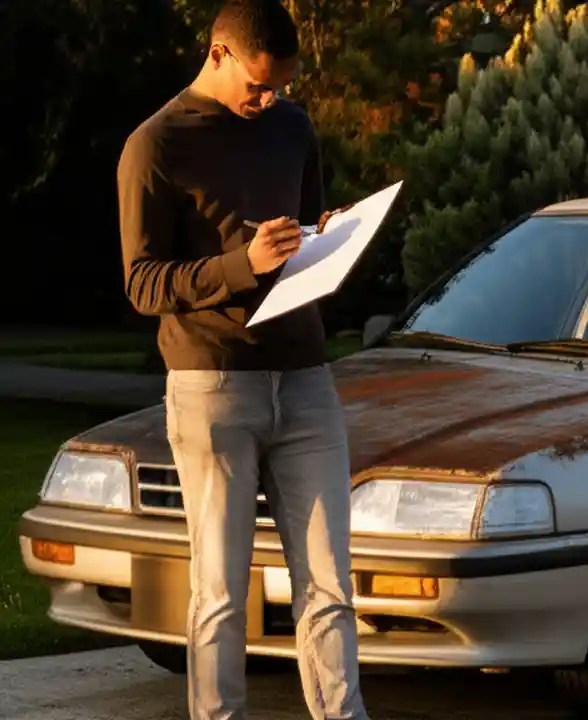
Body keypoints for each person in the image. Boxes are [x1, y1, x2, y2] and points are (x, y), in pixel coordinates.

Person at [115, 1, 369, 718]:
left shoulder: (293, 128)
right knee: (221, 592)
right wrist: (239, 265)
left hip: (307, 376)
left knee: (329, 584)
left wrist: (325, 237)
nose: (268, 100)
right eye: (257, 86)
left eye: (279, 87)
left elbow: (306, 220)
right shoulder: (155, 145)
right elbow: (142, 283)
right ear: (217, 53)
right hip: (212, 381)